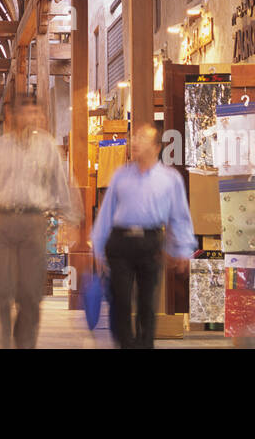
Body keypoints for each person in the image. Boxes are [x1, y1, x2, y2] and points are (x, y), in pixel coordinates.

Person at [0, 95, 81, 349]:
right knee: (2, 292)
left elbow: (61, 184)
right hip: (2, 224)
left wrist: (72, 220)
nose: (31, 117)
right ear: (12, 116)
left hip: (34, 224)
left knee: (31, 295)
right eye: (25, 112)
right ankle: (1, 343)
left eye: (35, 112)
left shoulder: (47, 147)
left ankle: (24, 344)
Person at [91, 122, 196, 349]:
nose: (135, 141)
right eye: (134, 137)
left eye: (142, 138)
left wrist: (183, 250)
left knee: (147, 303)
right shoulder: (120, 175)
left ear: (157, 147)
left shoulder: (170, 179)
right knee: (120, 300)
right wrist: (98, 248)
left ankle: (144, 344)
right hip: (120, 243)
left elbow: (179, 216)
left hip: (150, 243)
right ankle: (127, 344)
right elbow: (106, 213)